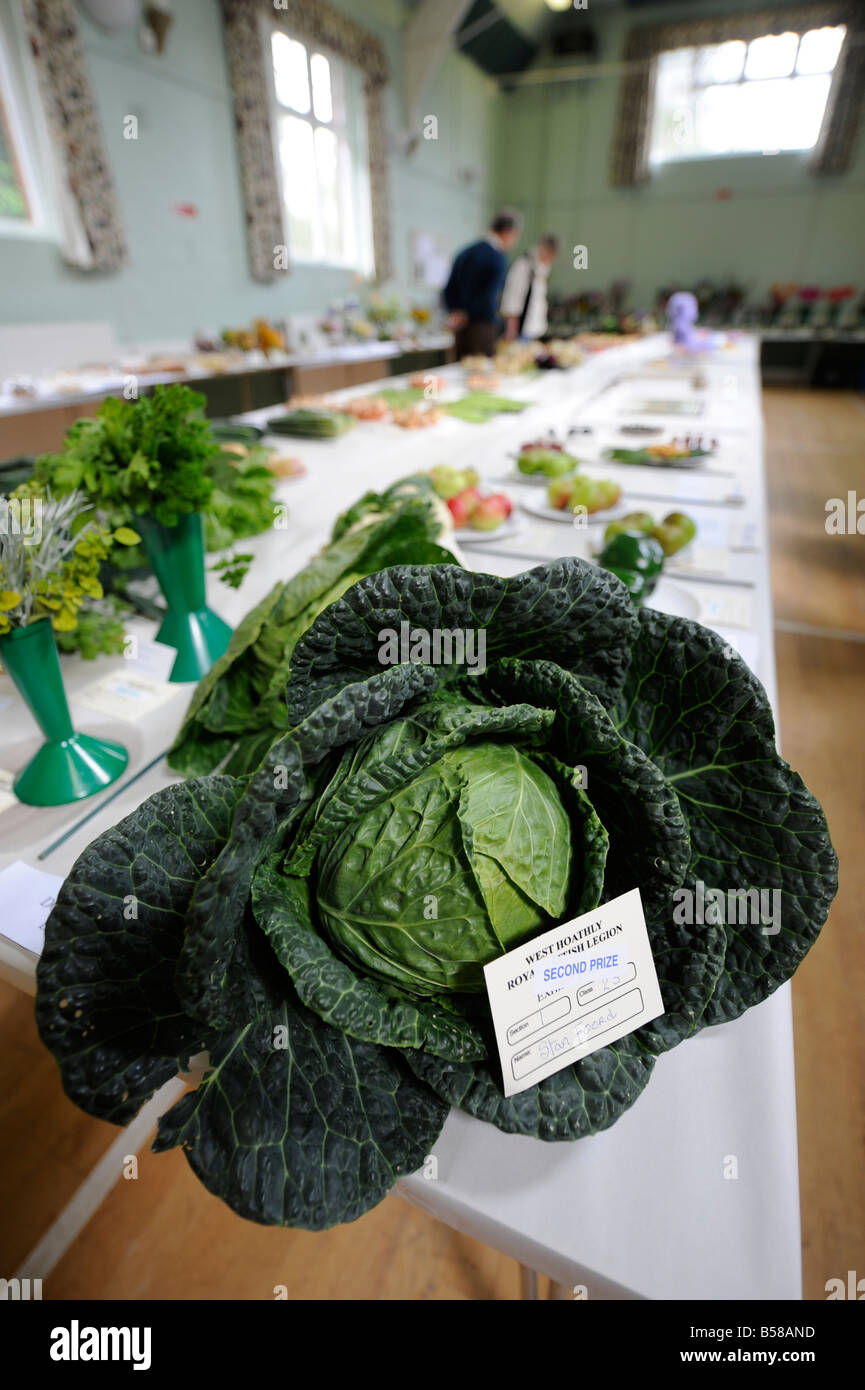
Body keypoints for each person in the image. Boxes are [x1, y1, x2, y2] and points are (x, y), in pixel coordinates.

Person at [442, 211, 521, 359]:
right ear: (507, 232)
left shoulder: (465, 252)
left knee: (460, 371)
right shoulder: (497, 257)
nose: (514, 241)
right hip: (481, 326)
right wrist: (468, 313)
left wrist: (456, 312)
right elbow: (489, 296)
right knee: (482, 375)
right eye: (515, 236)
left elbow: (449, 288)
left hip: (459, 327)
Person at [501, 234, 560, 341]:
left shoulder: (542, 267)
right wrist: (511, 330)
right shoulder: (523, 265)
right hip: (522, 329)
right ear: (544, 249)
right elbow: (512, 299)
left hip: (535, 328)